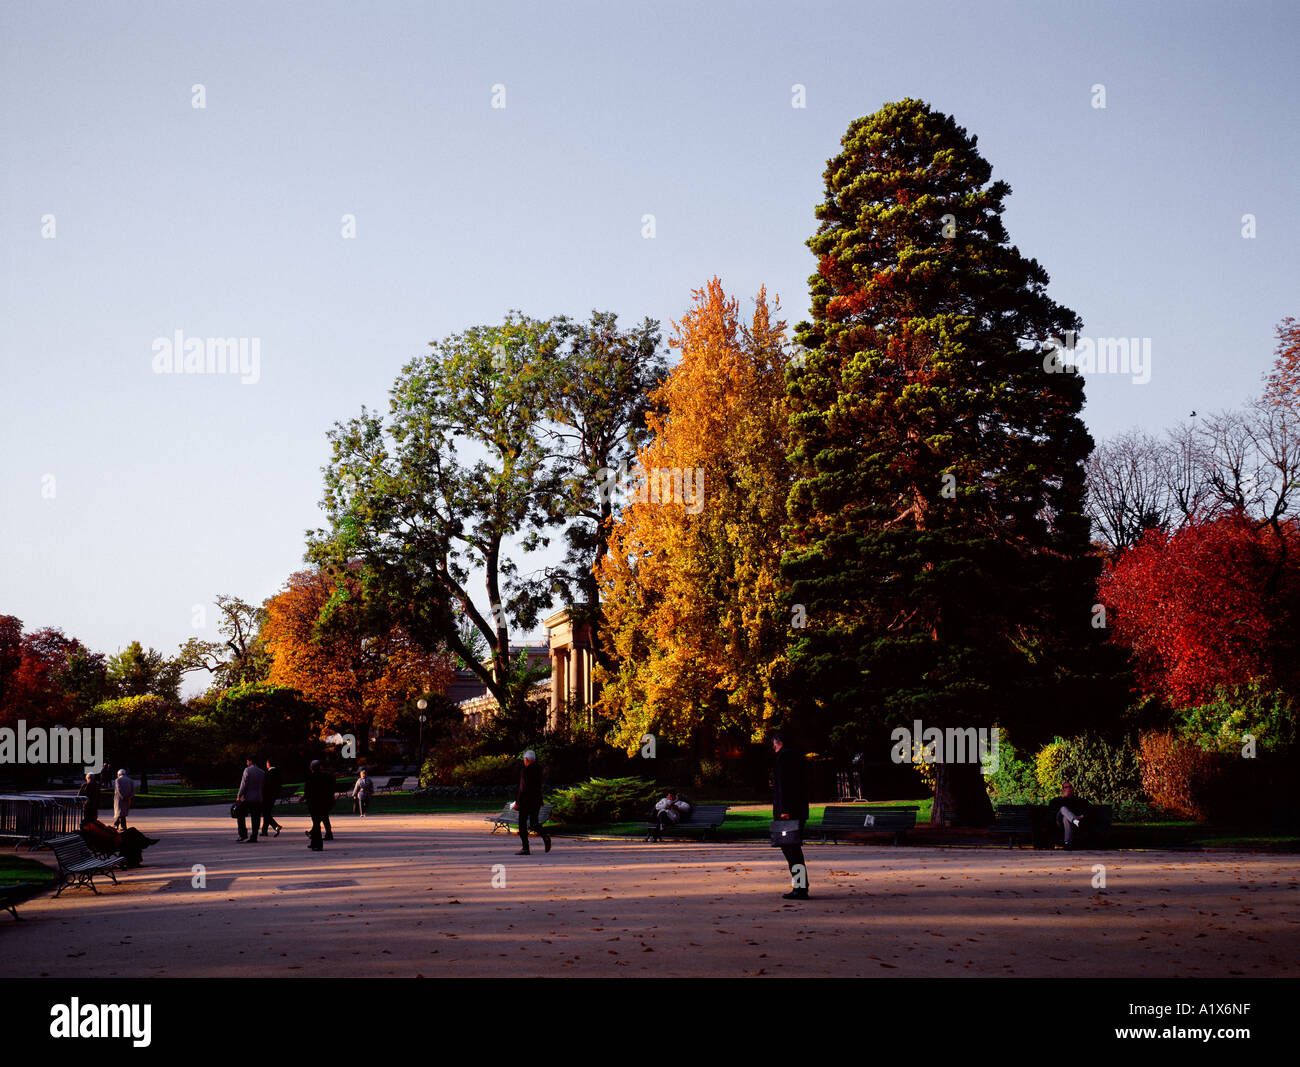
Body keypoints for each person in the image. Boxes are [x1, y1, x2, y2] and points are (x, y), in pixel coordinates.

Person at [771, 732, 810, 900]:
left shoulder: (783, 758)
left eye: (773, 744)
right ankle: (801, 885)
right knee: (794, 850)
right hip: (799, 809)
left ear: (778, 742)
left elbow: (784, 786)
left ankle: (800, 887)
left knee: (791, 850)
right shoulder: (799, 757)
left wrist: (785, 809)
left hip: (788, 812)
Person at [79, 819, 159, 869]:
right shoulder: (92, 826)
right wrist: (111, 829)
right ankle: (146, 842)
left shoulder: (91, 826)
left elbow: (106, 832)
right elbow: (108, 833)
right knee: (132, 832)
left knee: (132, 837)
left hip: (111, 840)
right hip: (112, 842)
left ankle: (145, 843)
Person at [513, 750, 551, 855]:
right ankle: (545, 836)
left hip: (526, 801)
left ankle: (526, 848)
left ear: (526, 759)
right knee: (534, 823)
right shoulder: (539, 770)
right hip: (536, 800)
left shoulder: (525, 771)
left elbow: (522, 788)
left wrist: (517, 802)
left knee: (522, 824)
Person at [1048, 781, 1092, 850]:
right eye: (1066, 787)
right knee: (1063, 808)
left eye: (1070, 787)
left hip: (1073, 823)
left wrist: (1082, 816)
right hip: (1059, 822)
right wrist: (1063, 798)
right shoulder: (1056, 800)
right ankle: (1075, 821)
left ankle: (1067, 843)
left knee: (1066, 818)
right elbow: (1052, 812)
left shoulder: (1079, 800)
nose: (1068, 788)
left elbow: (1088, 811)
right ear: (1063, 790)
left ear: (1073, 789)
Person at [305, 760, 336, 851]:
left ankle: (317, 844)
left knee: (316, 824)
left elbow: (308, 791)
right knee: (317, 823)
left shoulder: (310, 777)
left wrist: (305, 799)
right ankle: (314, 842)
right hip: (324, 803)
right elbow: (331, 789)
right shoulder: (326, 776)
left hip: (314, 803)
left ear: (311, 768)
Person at [236, 757, 265, 843]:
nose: (246, 763)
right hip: (258, 798)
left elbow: (243, 784)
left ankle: (243, 834)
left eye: (247, 761)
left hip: (248, 797)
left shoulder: (247, 770)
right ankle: (254, 836)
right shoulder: (262, 772)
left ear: (251, 761)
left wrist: (239, 795)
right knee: (256, 817)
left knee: (240, 814)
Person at [260, 759, 283, 838]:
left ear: (268, 764)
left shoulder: (268, 774)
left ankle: (276, 826)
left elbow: (265, 786)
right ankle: (264, 831)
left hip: (266, 796)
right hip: (273, 796)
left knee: (265, 813)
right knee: (267, 813)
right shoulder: (277, 773)